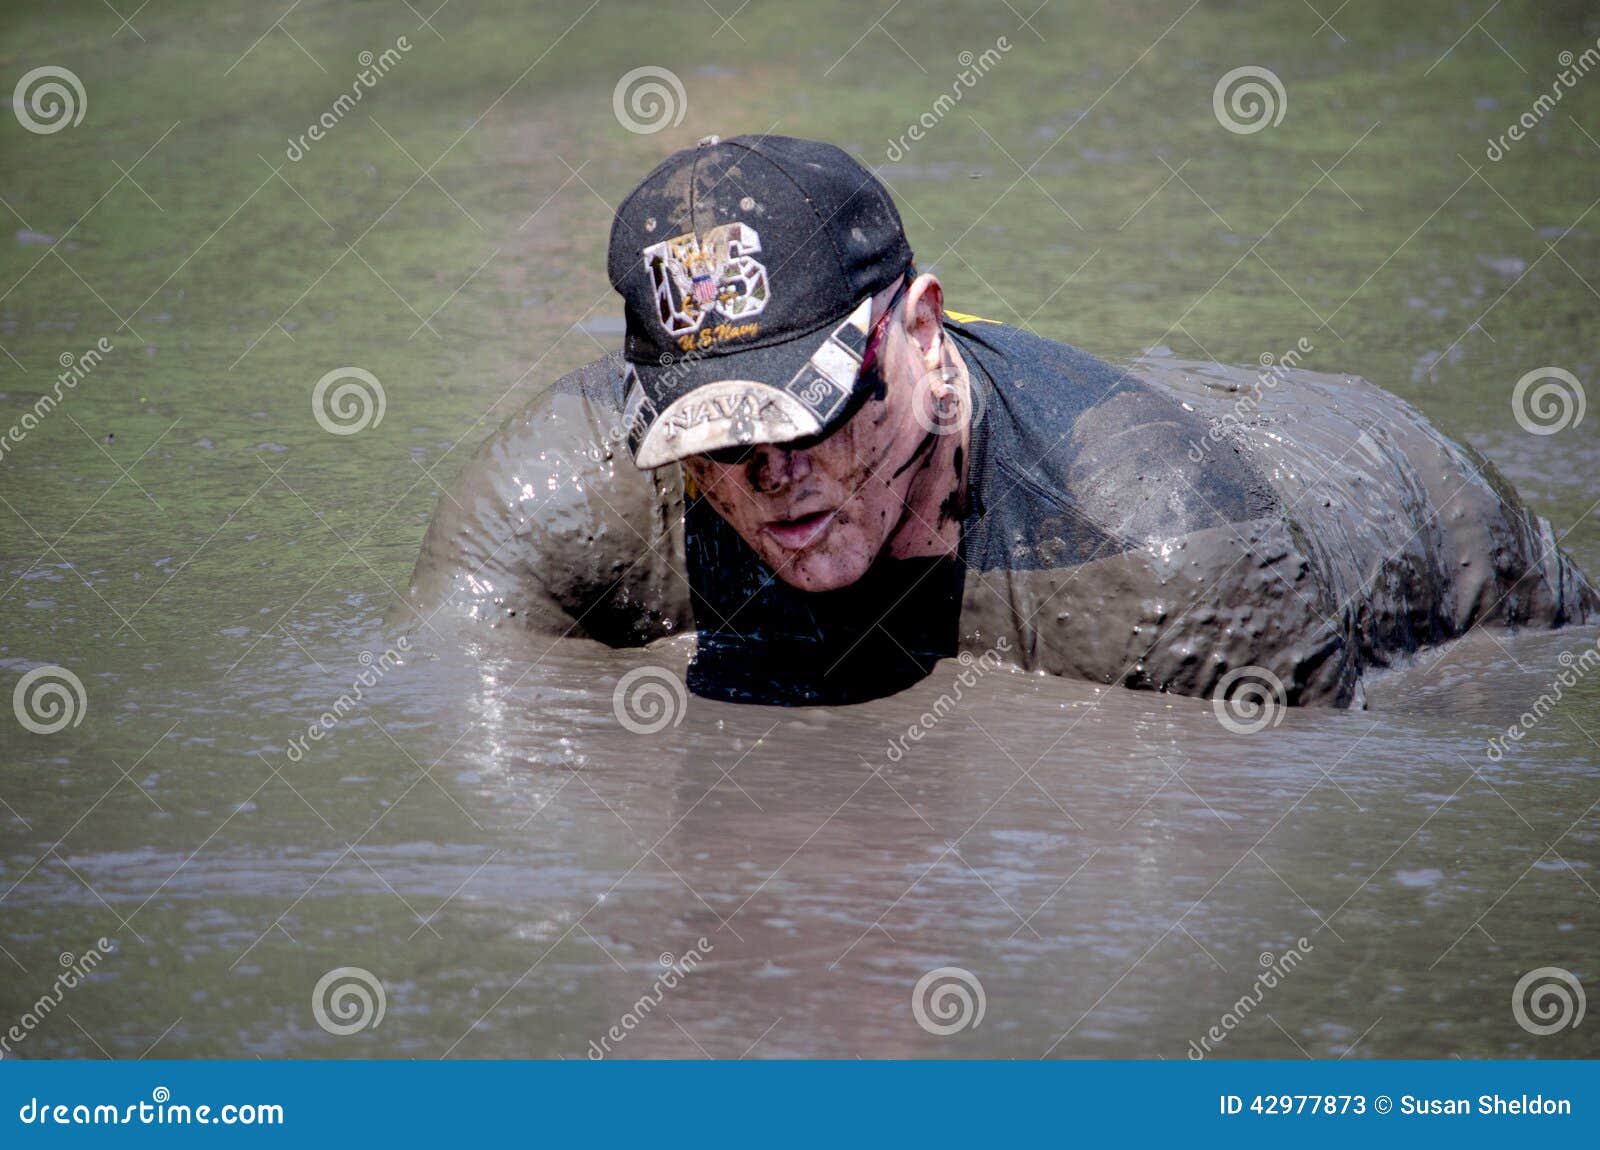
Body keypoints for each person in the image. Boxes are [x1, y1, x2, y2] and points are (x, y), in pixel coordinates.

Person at [406, 134, 1595, 707]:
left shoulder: (1163, 561)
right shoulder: (556, 502)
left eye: (807, 414)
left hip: (1418, 524)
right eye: (711, 439)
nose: (768, 472)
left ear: (919, 333)